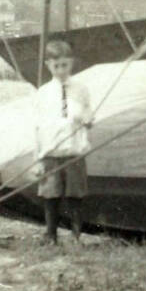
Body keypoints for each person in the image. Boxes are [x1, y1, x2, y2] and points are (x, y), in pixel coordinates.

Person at [33, 40, 94, 244]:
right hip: (51, 153)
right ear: (48, 65)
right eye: (56, 66)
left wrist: (87, 119)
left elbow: (88, 114)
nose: (61, 70)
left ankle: (76, 237)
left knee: (75, 196)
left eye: (65, 65)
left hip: (74, 152)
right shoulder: (43, 93)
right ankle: (51, 235)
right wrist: (38, 158)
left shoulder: (81, 89)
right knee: (50, 196)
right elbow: (38, 127)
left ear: (72, 64)